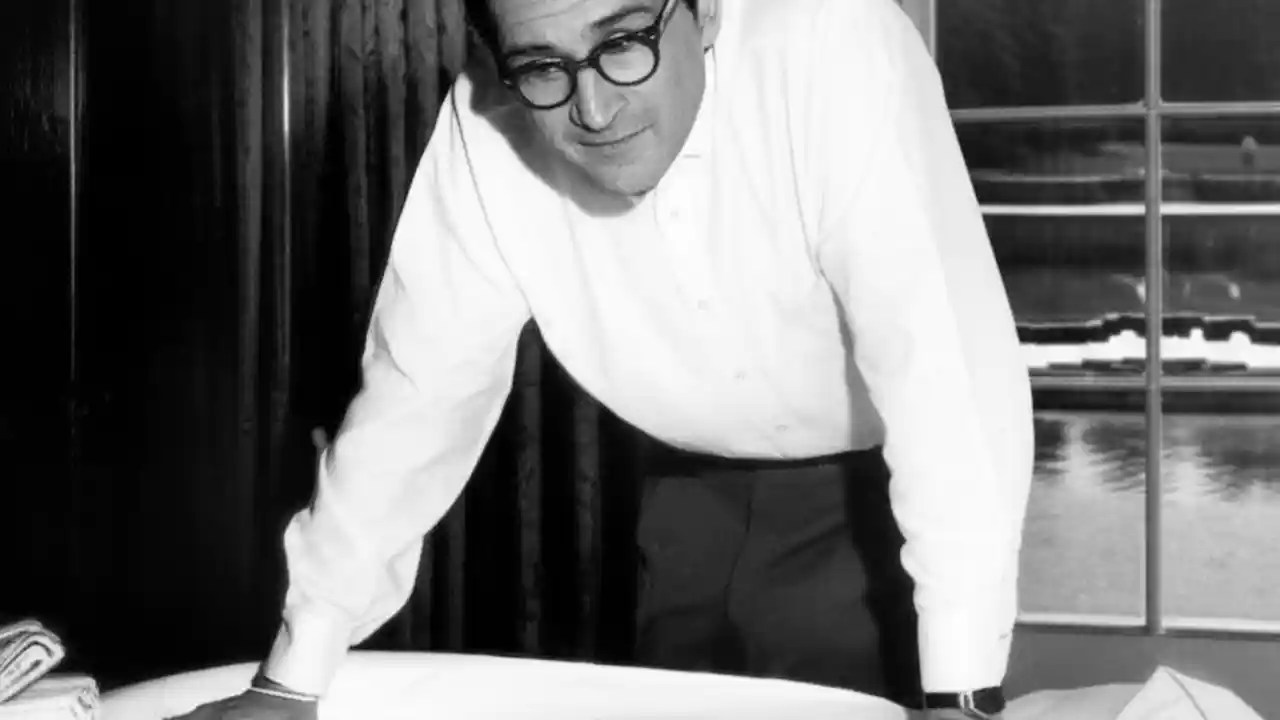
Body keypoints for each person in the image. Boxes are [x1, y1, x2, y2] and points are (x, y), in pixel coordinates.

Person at [172, 0, 1033, 718]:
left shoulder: (835, 43)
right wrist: (293, 676)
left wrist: (961, 693)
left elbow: (942, 374)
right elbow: (417, 391)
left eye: (622, 44)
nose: (591, 108)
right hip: (680, 496)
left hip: (876, 503)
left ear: (705, 17)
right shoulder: (486, 118)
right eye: (544, 66)